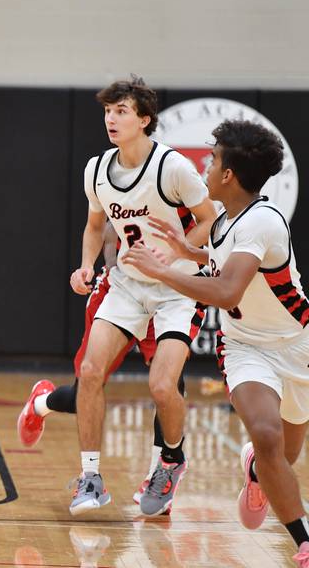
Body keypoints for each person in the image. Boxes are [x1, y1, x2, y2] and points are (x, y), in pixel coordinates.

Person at [123, 119, 309, 566]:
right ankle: (303, 540)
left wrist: (164, 270)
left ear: (229, 176)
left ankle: (257, 473)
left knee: (285, 451)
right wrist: (191, 255)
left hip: (296, 344)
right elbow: (223, 262)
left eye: (214, 160)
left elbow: (228, 291)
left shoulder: (262, 222)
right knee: (265, 435)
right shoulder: (228, 218)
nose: (205, 166)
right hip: (244, 346)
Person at [67, 75, 216, 517]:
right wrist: (87, 265)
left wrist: (178, 250)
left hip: (176, 288)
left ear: (145, 120)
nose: (112, 119)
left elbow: (210, 218)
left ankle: (171, 461)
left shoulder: (171, 167)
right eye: (108, 112)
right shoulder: (96, 169)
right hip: (128, 284)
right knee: (91, 371)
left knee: (161, 385)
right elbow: (95, 226)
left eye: (122, 111)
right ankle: (90, 476)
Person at [17, 223, 196, 504]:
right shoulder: (119, 181)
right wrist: (102, 265)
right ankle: (42, 402)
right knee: (86, 388)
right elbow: (103, 223)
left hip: (171, 289)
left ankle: (158, 478)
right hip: (122, 287)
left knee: (168, 384)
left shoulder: (198, 187)